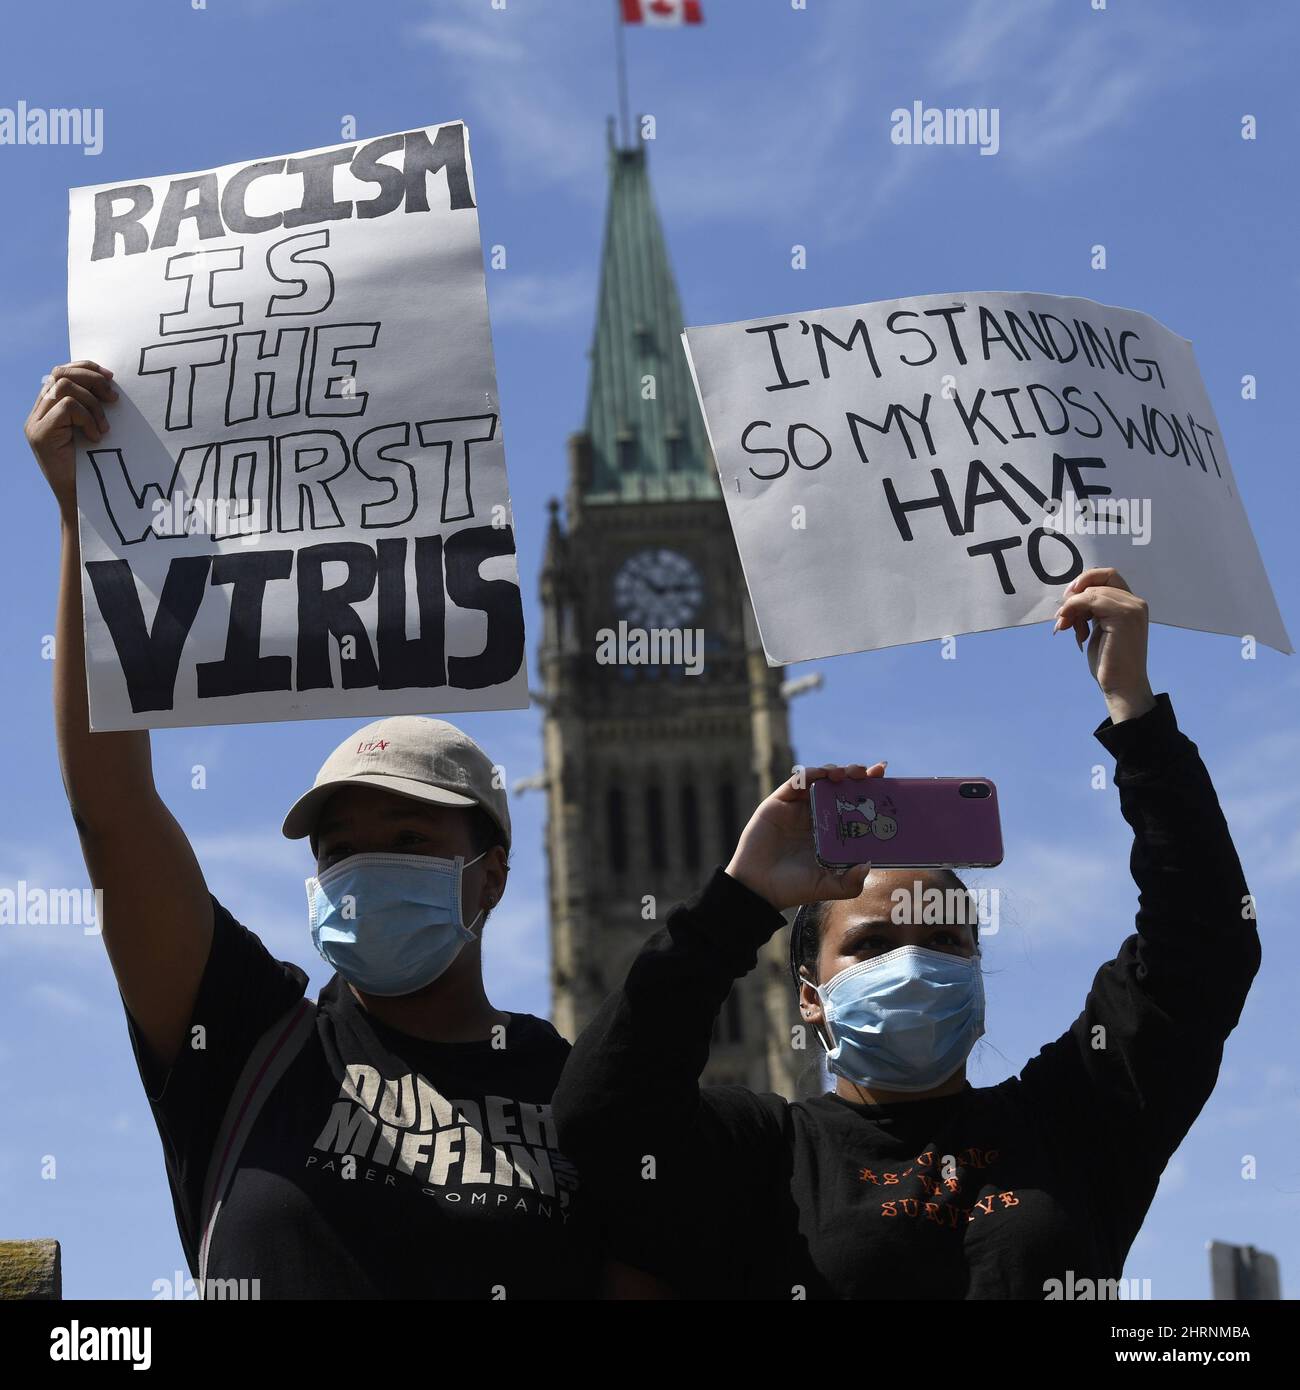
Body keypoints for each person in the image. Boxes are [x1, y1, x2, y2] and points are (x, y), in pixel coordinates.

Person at [27, 360, 597, 1300]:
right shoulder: (246, 1039)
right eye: (339, 848)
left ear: (491, 876)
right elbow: (114, 815)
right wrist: (86, 524)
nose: (368, 865)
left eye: (410, 842)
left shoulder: (579, 1090)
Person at [552, 567, 1261, 1299]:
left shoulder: (1071, 1122)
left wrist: (1135, 713)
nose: (914, 963)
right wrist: (740, 898)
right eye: (873, 944)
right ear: (809, 998)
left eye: (947, 940)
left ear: (979, 973)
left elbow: (1202, 945)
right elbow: (601, 1116)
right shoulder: (762, 1156)